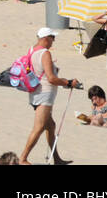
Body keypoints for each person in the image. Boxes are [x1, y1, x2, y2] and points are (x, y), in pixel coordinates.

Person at [19, 28, 79, 165]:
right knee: (39, 127)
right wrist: (68, 82)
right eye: (53, 38)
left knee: (51, 126)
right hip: (44, 94)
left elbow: (38, 70)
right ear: (46, 38)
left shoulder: (31, 50)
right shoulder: (45, 53)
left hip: (35, 91)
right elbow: (51, 79)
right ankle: (22, 159)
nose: (54, 41)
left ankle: (56, 159)